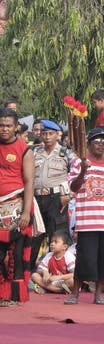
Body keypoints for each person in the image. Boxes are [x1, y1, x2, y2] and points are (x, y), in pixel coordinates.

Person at [64, 126, 104, 305]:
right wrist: (83, 170)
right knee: (85, 259)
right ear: (89, 143)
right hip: (86, 219)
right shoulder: (78, 162)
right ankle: (75, 293)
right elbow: (73, 188)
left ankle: (98, 294)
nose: (100, 145)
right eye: (97, 141)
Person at [0, 107, 35, 305]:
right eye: (1, 125)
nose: (4, 129)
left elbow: (29, 181)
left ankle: (13, 295)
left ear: (15, 128)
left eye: (8, 126)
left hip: (16, 205)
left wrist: (26, 212)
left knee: (16, 255)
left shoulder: (24, 149)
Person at [30, 119, 72, 268]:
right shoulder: (35, 152)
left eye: (50, 133)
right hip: (37, 198)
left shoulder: (65, 153)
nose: (47, 136)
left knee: (56, 236)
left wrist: (67, 194)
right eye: (44, 133)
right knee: (35, 235)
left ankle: (57, 270)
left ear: (57, 135)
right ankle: (29, 271)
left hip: (57, 198)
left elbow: (75, 175)